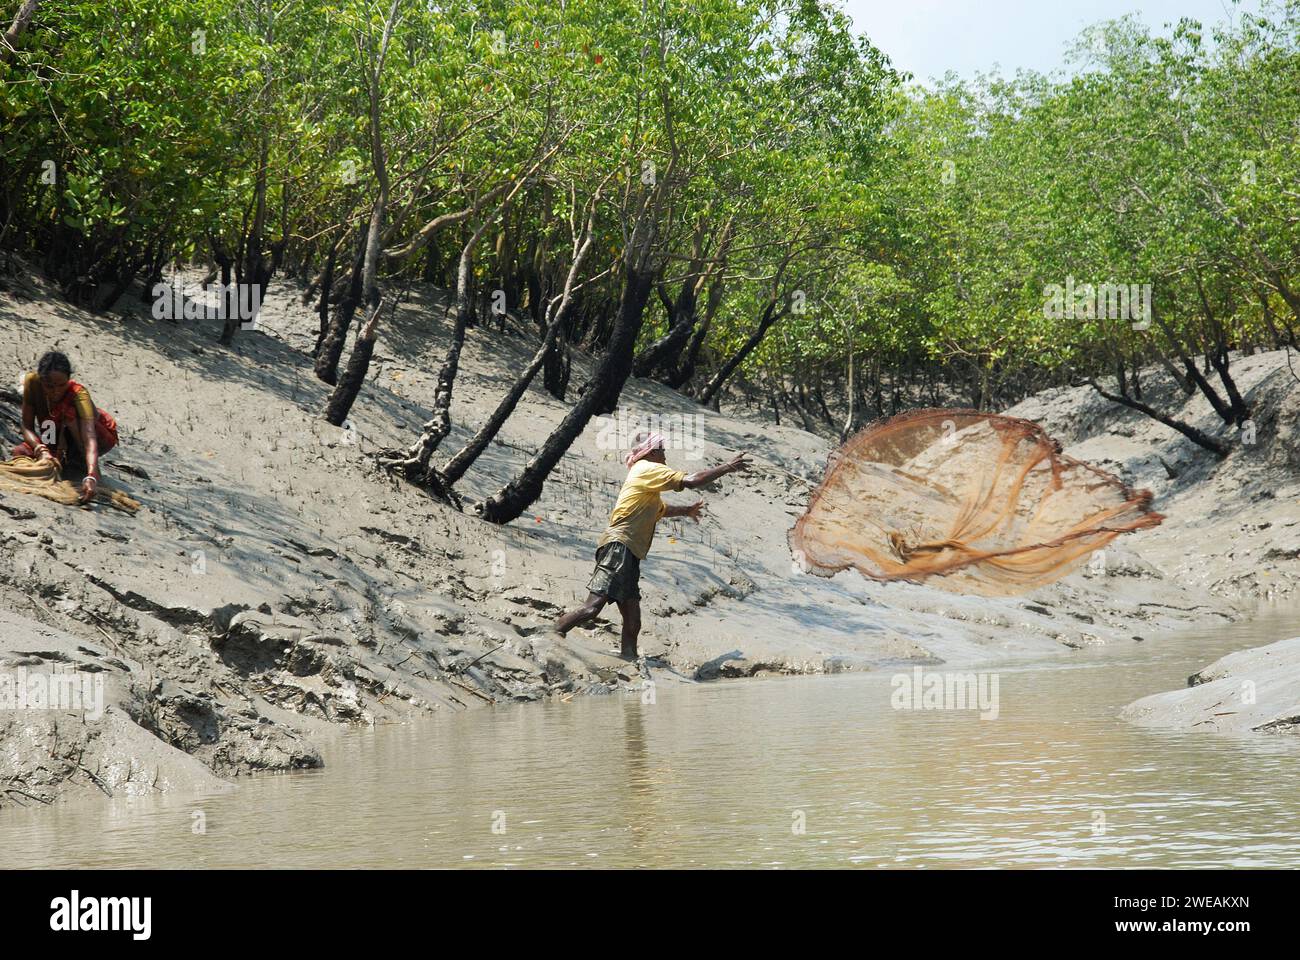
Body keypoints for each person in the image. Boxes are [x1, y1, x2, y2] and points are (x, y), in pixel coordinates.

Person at [554, 430, 749, 659]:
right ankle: (553, 634)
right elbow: (693, 481)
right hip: (619, 546)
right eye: (663, 450)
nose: (665, 456)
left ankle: (629, 659)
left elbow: (661, 510)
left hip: (629, 552)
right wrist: (726, 467)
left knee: (633, 621)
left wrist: (686, 511)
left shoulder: (646, 481)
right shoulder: (647, 468)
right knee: (592, 608)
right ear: (653, 452)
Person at [12, 351, 119, 503]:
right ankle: (62, 458)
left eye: (61, 385)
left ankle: (82, 464)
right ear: (41, 380)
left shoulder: (78, 394)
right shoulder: (33, 384)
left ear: (68, 380)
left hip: (97, 435)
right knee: (20, 452)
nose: (56, 391)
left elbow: (90, 438)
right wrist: (41, 450)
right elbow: (27, 426)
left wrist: (92, 475)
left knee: (70, 413)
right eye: (49, 386)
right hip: (55, 435)